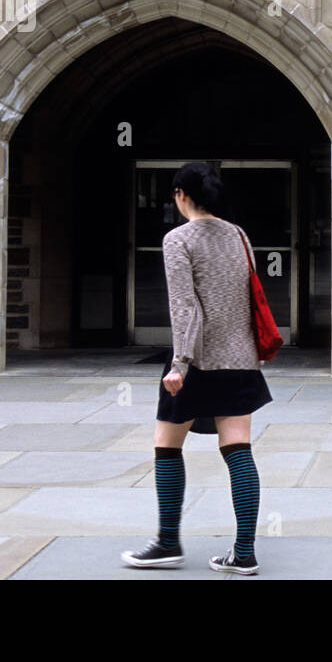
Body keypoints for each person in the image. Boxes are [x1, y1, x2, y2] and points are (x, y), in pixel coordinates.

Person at [122, 161, 272, 575]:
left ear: (179, 195)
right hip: (241, 360)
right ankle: (244, 553)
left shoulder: (178, 240)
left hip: (198, 362)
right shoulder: (239, 235)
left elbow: (185, 307)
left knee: (167, 446)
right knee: (238, 450)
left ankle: (168, 543)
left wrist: (179, 364)